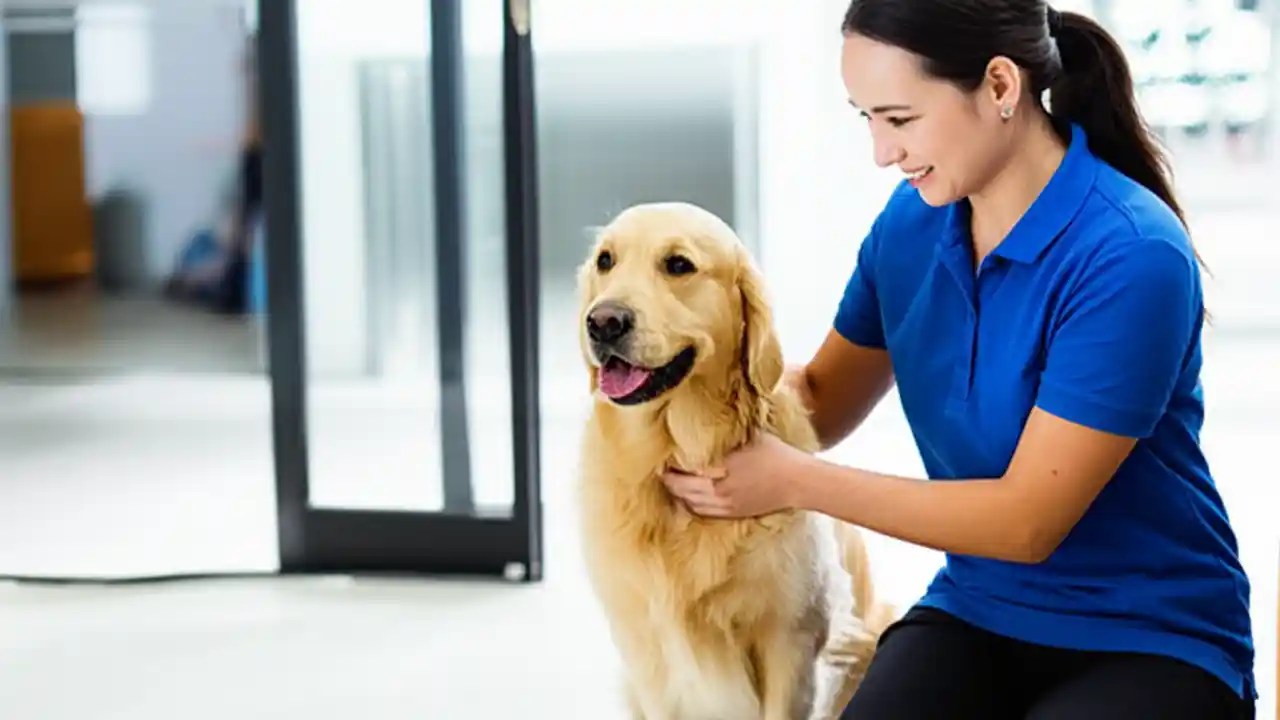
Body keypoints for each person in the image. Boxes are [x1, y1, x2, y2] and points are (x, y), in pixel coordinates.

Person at [662, 2, 1257, 718]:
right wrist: (674, 370)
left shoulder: (1131, 254)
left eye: (900, 119)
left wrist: (793, 481)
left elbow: (1025, 524)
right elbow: (821, 398)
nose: (882, 152)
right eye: (867, 119)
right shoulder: (912, 223)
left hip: (1152, 634)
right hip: (981, 610)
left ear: (1001, 87)